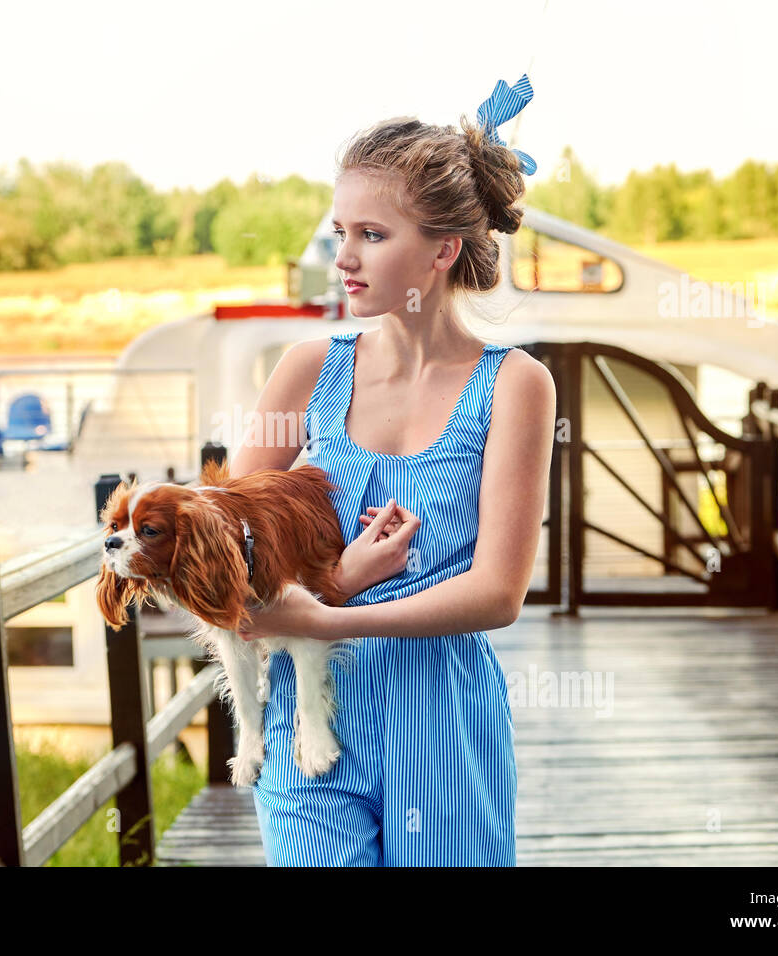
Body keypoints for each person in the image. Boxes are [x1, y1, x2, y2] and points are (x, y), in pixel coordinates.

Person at [227, 76, 556, 866]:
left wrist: (328, 618)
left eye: (371, 235)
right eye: (339, 231)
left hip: (441, 723)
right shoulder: (306, 372)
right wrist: (335, 583)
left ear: (443, 251)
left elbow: (498, 593)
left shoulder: (516, 386)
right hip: (312, 721)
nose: (342, 259)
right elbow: (222, 559)